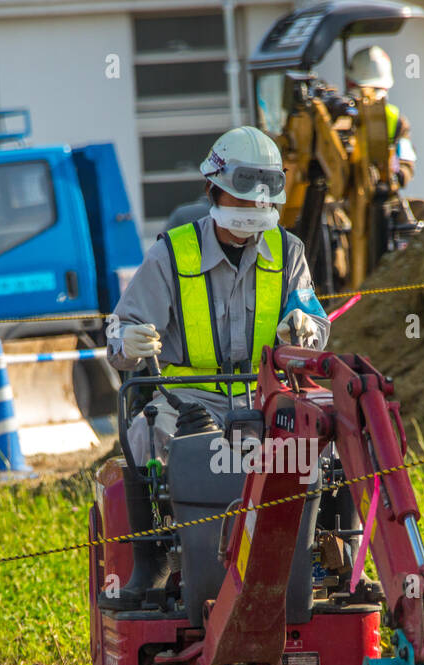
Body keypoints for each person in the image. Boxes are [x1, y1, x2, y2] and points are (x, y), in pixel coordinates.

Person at [102, 125, 329, 609]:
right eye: (243, 202)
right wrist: (129, 340)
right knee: (147, 433)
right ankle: (153, 563)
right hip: (185, 401)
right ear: (214, 190)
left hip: (264, 398)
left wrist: (304, 329)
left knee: (323, 439)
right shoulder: (172, 253)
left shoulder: (289, 253)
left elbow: (314, 321)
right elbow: (119, 334)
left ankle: (330, 554)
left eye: (260, 205)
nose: (252, 213)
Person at [345, 45, 424, 224]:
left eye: (376, 89)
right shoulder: (339, 119)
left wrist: (396, 176)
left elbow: (406, 161)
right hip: (346, 203)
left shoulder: (397, 122)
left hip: (386, 200)